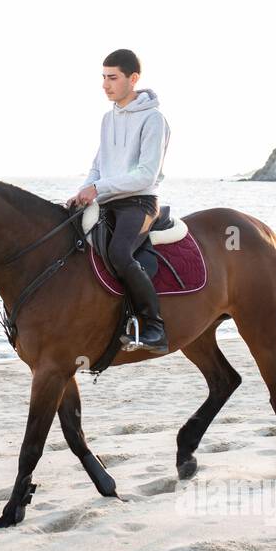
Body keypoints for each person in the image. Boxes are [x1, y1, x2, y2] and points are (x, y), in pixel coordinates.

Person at [66, 49, 171, 352]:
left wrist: (98, 187)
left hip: (140, 203)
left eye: (112, 77)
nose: (105, 84)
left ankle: (154, 327)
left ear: (133, 78)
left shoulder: (154, 120)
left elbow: (146, 175)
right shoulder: (107, 118)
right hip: (108, 201)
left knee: (119, 252)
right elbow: (98, 166)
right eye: (103, 77)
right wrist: (83, 191)